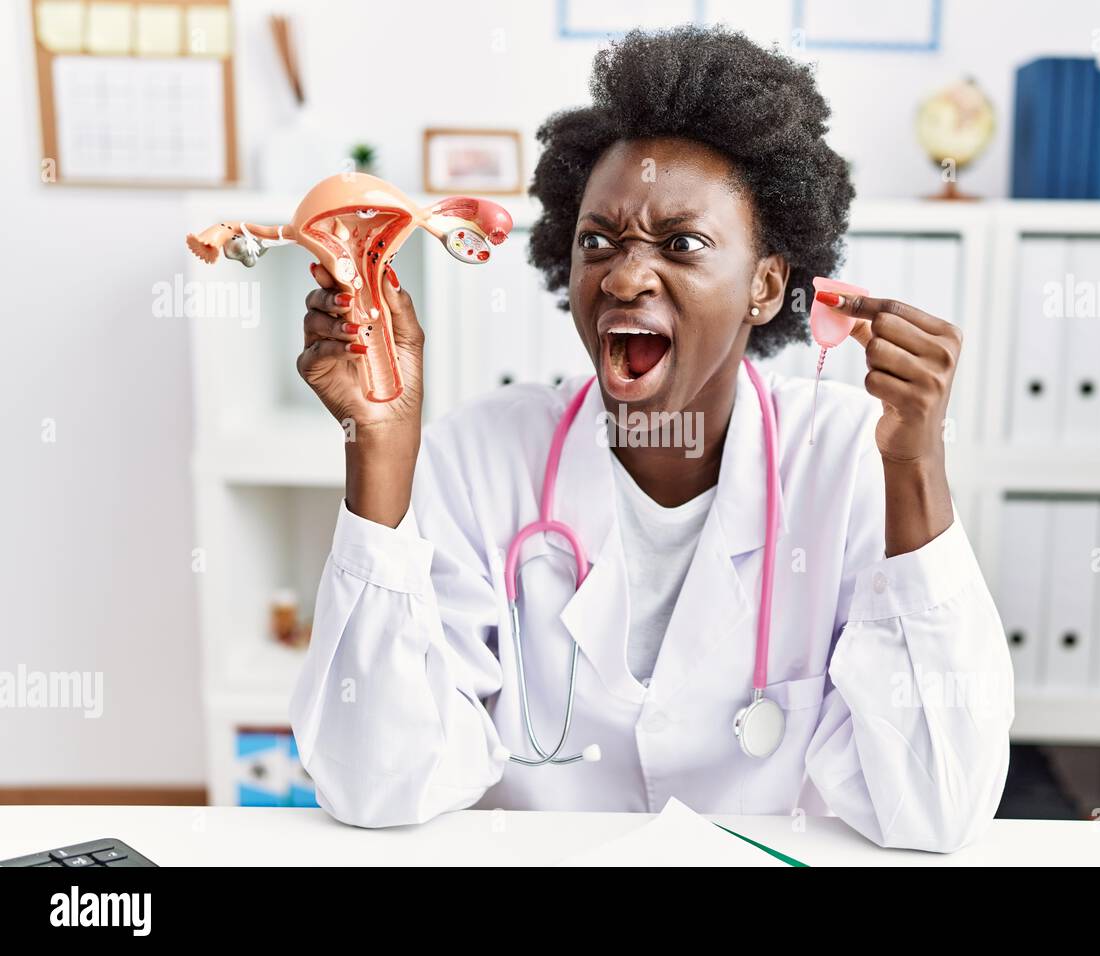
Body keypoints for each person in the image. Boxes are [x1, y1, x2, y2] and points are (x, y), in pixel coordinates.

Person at [289, 25, 1014, 852]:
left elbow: (936, 805)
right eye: (598, 241)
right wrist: (376, 449)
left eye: (682, 245)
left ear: (766, 285)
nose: (625, 276)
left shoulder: (853, 458)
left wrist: (917, 464)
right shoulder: (478, 457)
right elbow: (377, 781)